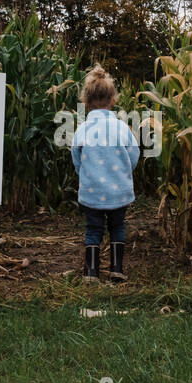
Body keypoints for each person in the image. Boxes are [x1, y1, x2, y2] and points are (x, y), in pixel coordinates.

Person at [70, 65, 140, 281]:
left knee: (93, 229)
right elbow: (134, 155)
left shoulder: (83, 129)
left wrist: (86, 175)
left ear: (86, 102)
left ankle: (91, 272)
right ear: (113, 100)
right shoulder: (122, 128)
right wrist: (124, 174)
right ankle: (116, 269)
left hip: (92, 191)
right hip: (119, 191)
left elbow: (76, 157)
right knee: (117, 227)